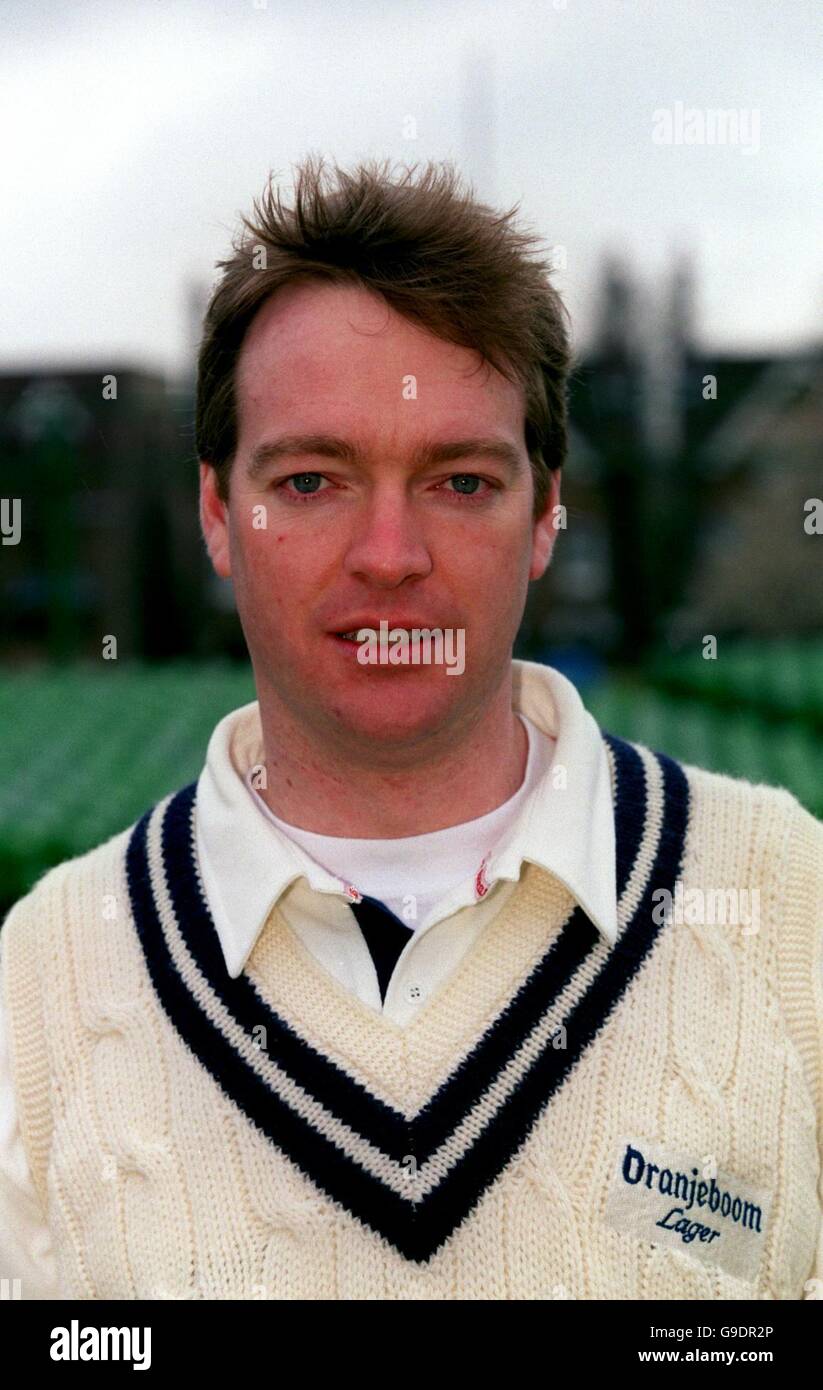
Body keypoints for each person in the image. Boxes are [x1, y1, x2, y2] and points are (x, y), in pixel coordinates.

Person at [1, 156, 820, 1301]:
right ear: (214, 515)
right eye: (310, 482)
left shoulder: (789, 894)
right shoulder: (41, 972)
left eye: (461, 482)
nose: (390, 555)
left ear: (545, 516)